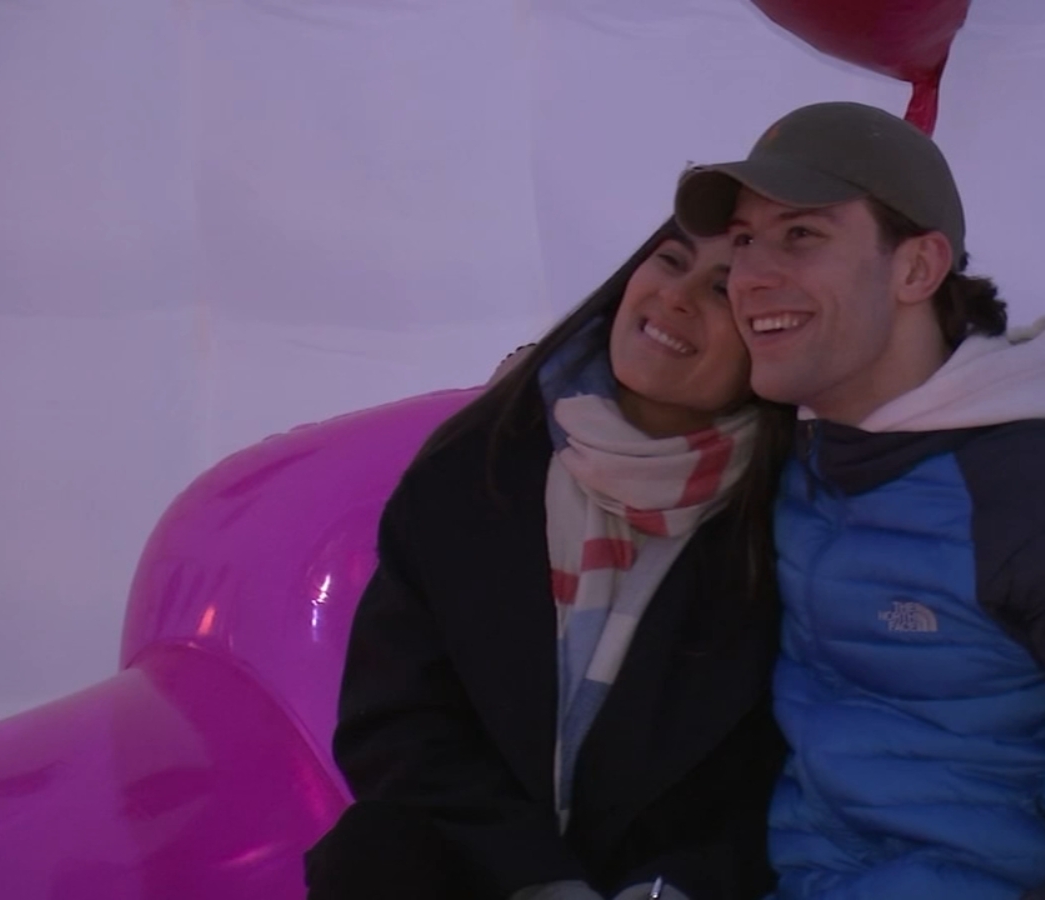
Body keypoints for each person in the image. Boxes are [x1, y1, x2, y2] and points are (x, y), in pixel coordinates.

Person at [670, 101, 1045, 899]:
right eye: (747, 241)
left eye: (801, 235)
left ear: (917, 269)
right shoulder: (801, 465)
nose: (751, 276)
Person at [304, 216, 796, 900]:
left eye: (721, 290)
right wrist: (538, 881)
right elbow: (398, 724)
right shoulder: (477, 465)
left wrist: (673, 888)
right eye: (669, 261)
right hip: (482, 872)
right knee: (376, 849)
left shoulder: (792, 522)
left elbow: (776, 772)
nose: (675, 298)